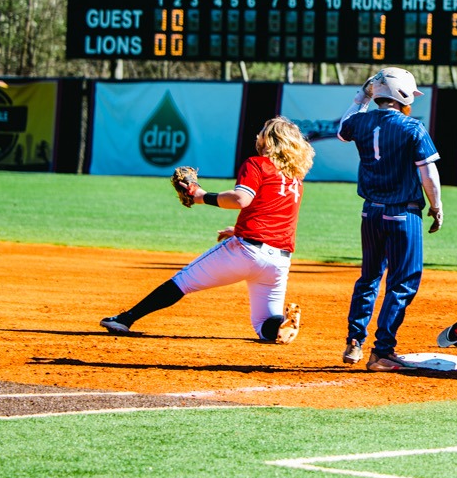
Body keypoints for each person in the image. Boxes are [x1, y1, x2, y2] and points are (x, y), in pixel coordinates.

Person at [100, 116, 312, 343]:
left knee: (182, 281)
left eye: (263, 132)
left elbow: (241, 199)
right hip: (278, 261)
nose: (258, 135)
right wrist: (240, 228)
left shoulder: (257, 164)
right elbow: (275, 214)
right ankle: (280, 326)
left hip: (247, 251)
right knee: (264, 327)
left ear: (270, 140)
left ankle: (125, 319)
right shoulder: (295, 179)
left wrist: (201, 196)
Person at [338, 67, 444, 371]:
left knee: (369, 277)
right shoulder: (413, 127)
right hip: (403, 213)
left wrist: (362, 96)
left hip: (370, 212)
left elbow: (342, 129)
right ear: (404, 95)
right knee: (403, 282)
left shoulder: (360, 120)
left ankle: (354, 342)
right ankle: (382, 351)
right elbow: (429, 174)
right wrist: (436, 206)